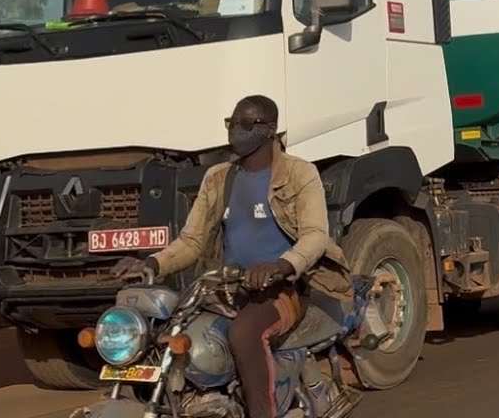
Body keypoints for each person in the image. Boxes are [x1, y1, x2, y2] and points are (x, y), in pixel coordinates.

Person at [114, 95, 352, 418]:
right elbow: (192, 240)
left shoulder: (299, 173)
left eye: (245, 125)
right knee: (169, 332)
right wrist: (152, 263)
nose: (235, 132)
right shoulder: (218, 177)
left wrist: (282, 266)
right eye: (232, 124)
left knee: (244, 334)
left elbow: (315, 235)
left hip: (283, 290)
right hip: (226, 288)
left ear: (269, 129)